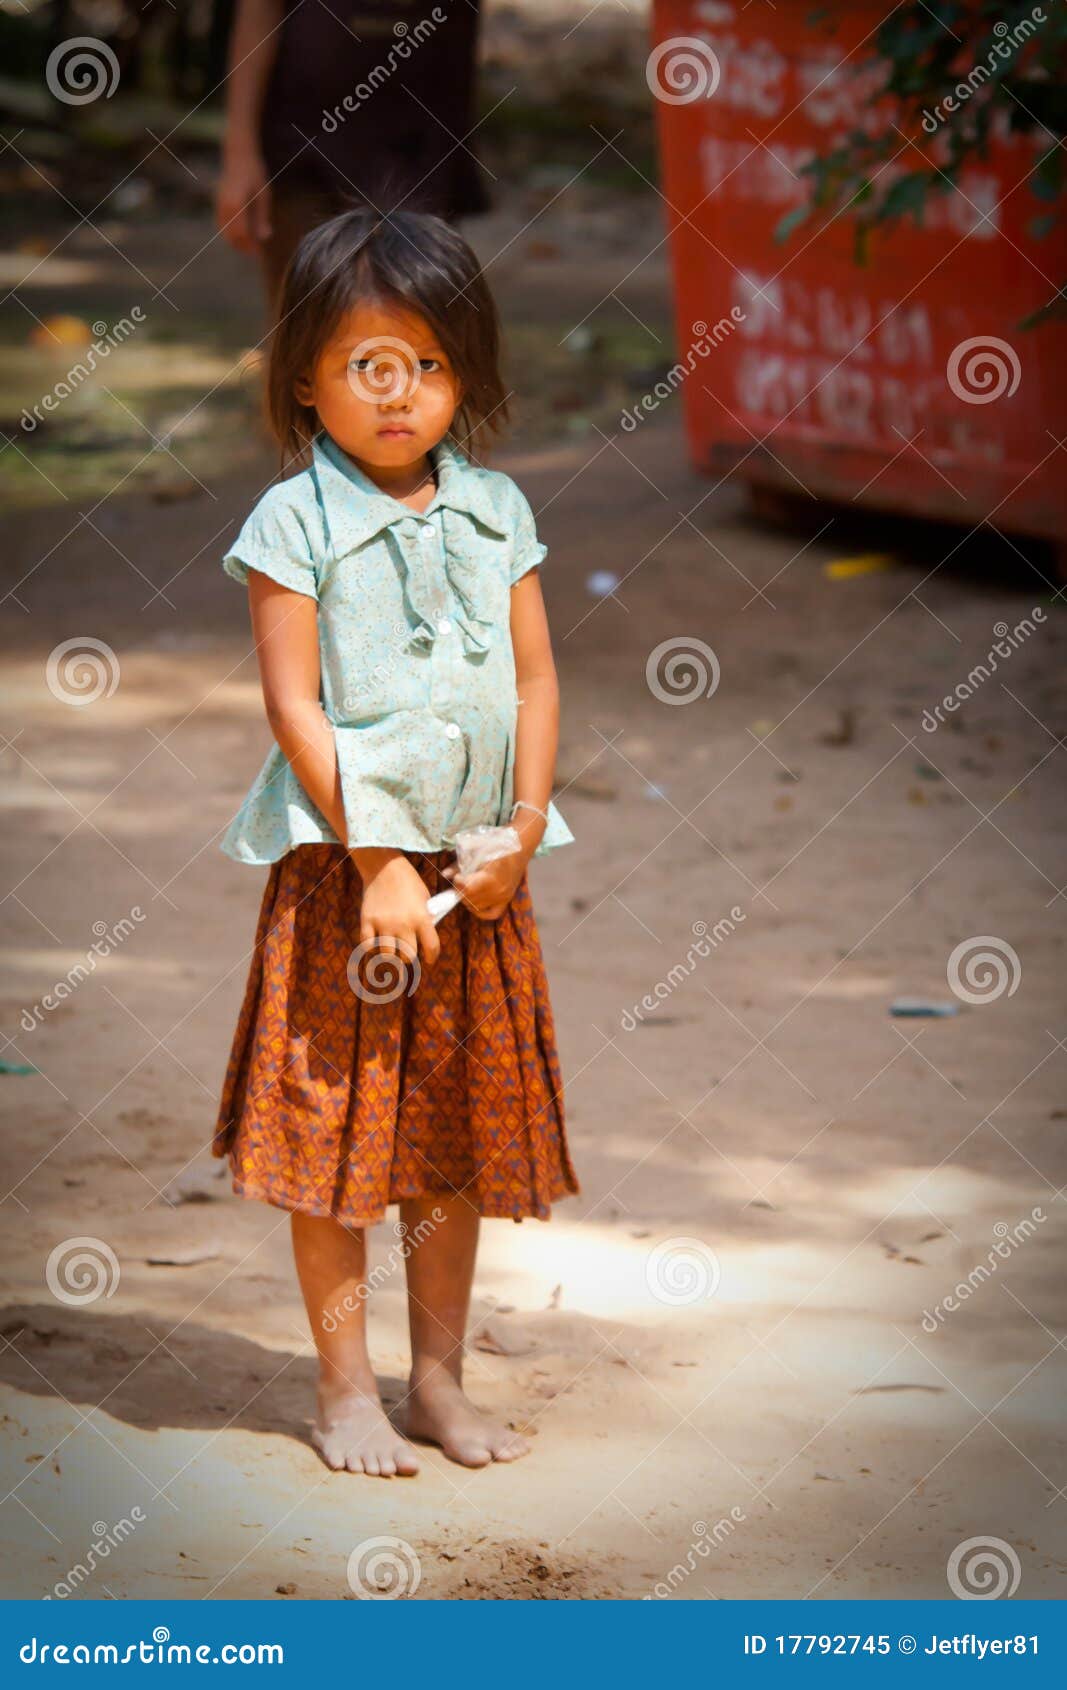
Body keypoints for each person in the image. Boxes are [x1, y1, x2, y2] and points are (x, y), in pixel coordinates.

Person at [211, 207, 580, 1478]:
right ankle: (341, 1391)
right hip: (341, 883)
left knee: (451, 1146)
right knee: (335, 1152)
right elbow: (292, 705)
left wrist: (520, 833)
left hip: (476, 883)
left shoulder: (499, 510)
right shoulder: (289, 526)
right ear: (304, 375)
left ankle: (433, 1379)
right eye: (368, 365)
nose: (399, 394)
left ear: (465, 373)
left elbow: (536, 684)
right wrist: (374, 856)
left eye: (428, 363)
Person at [215, 0, 488, 311]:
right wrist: (240, 152)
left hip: (423, 149)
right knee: (305, 328)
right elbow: (259, 8)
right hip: (303, 146)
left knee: (410, 322)